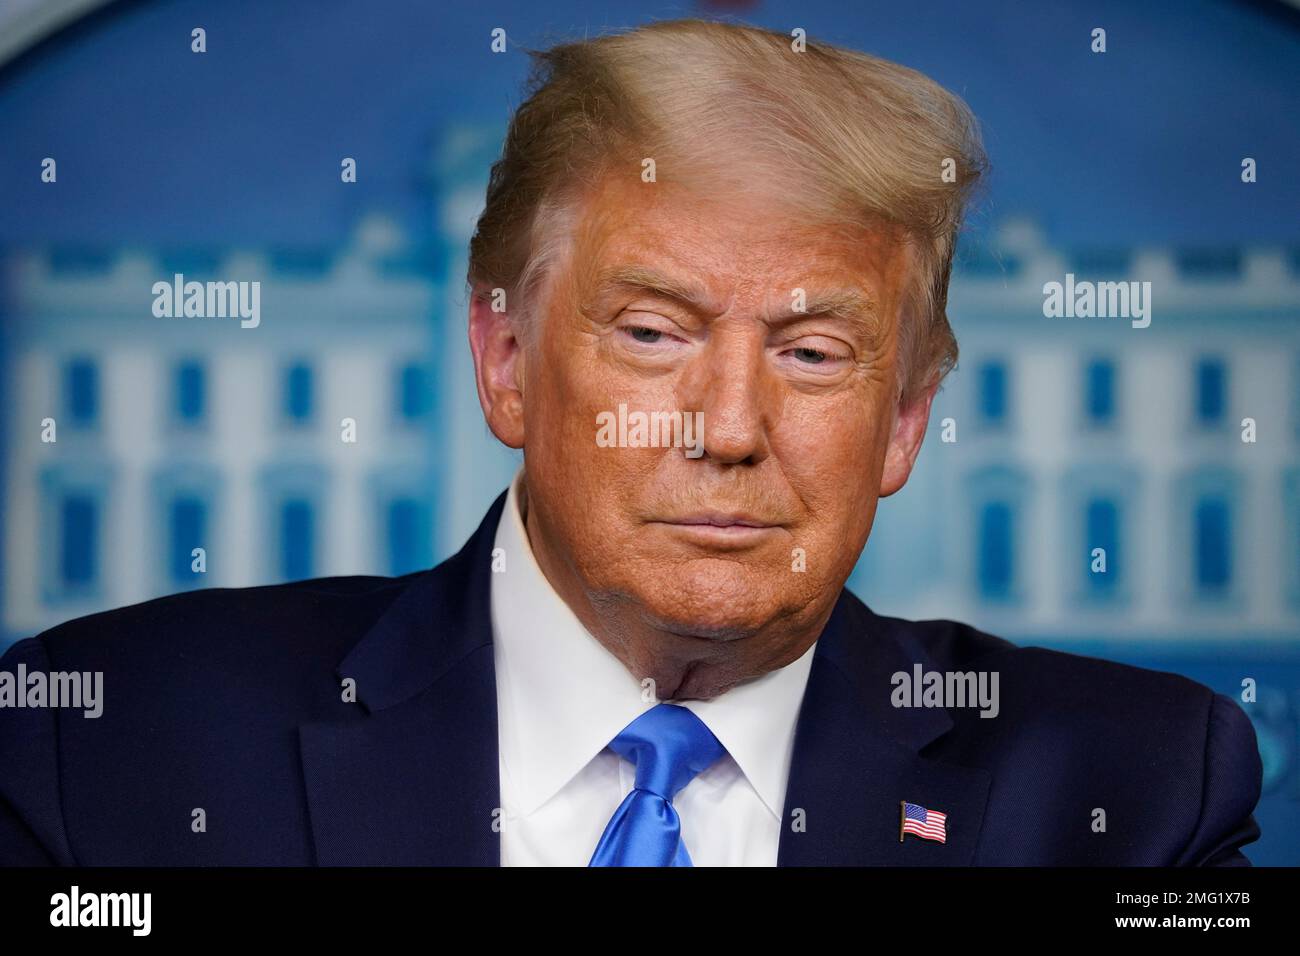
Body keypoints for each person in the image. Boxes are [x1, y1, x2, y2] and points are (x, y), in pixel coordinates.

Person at [0, 18, 1261, 866]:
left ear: (907, 419)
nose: (727, 429)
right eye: (653, 332)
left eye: (814, 352)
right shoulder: (114, 746)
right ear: (504, 362)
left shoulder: (1135, 793)